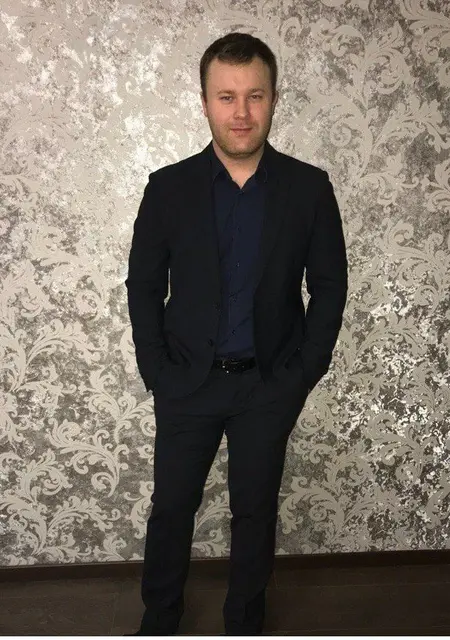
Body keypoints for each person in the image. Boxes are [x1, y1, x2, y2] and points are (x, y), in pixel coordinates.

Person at [125, 32, 348, 636]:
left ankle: (245, 620)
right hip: (186, 382)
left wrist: (303, 372)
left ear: (274, 98)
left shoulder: (309, 188)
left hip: (267, 385)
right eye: (227, 97)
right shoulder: (167, 188)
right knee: (172, 508)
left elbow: (329, 287)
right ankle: (160, 616)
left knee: (255, 511)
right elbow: (143, 286)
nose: (241, 112)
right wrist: (157, 370)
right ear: (204, 103)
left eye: (255, 95)